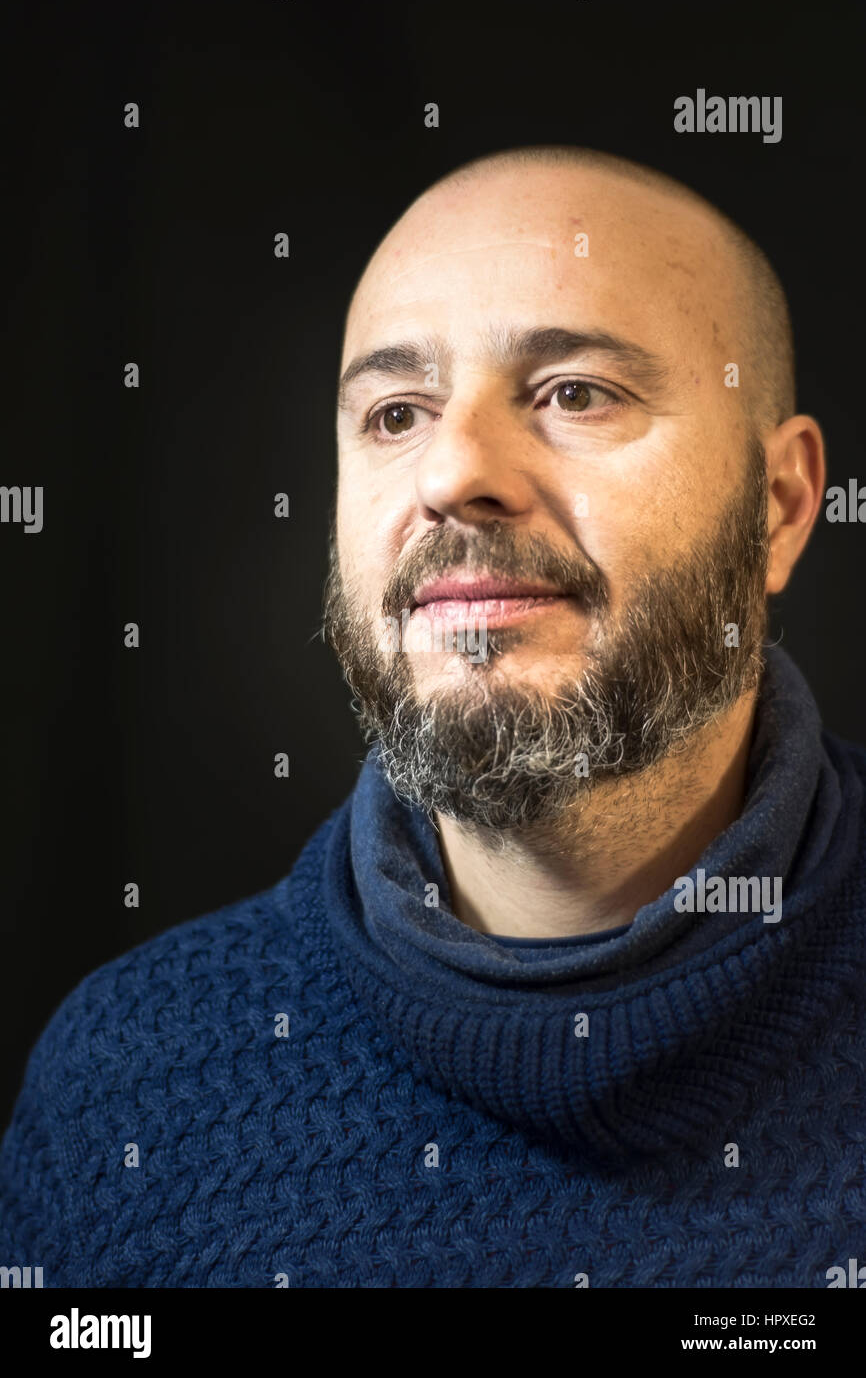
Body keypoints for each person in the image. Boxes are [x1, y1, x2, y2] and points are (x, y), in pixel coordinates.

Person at [2, 146, 864, 1288]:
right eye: (396, 411)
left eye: (573, 393)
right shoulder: (120, 1086)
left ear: (780, 504)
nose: (453, 471)